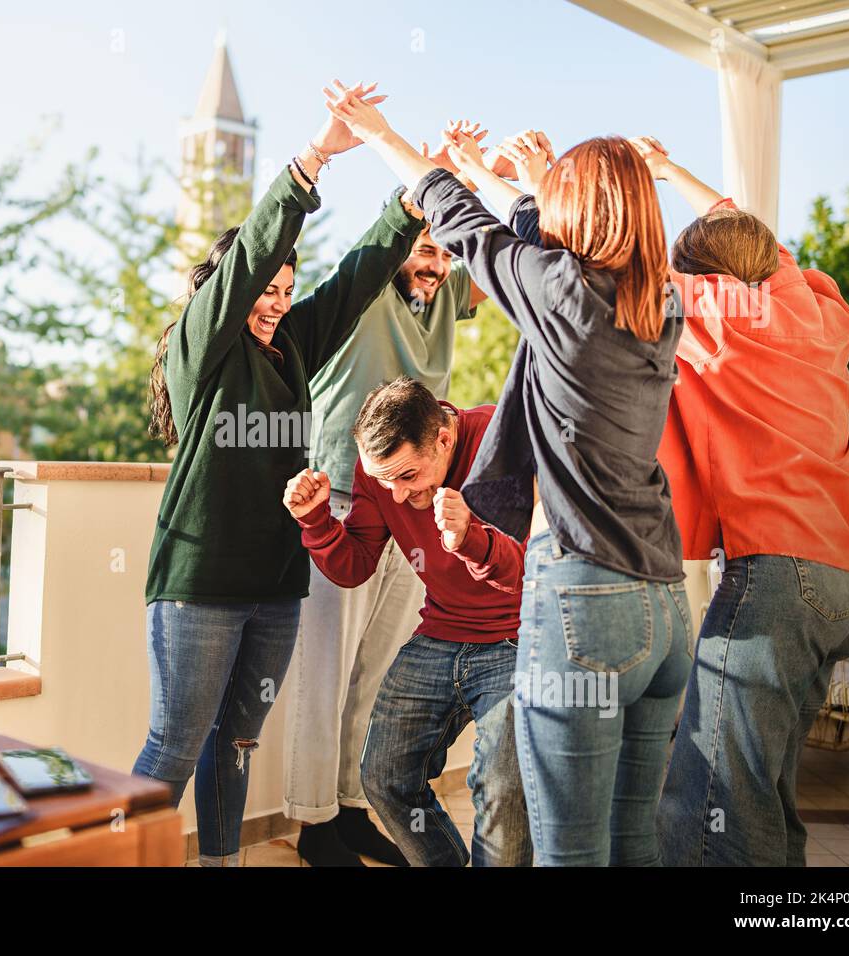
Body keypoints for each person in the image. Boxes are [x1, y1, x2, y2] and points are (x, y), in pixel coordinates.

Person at [325, 89, 692, 866]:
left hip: (588, 598)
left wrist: (382, 133)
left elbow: (456, 215)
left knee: (566, 846)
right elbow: (533, 241)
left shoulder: (561, 292)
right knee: (634, 842)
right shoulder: (659, 303)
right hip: (664, 604)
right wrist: (517, 184)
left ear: (575, 218)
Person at [134, 83, 428, 867]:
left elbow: (360, 277)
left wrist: (413, 197)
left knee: (234, 743)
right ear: (229, 292)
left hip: (276, 584)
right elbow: (255, 254)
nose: (276, 300)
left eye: (287, 290)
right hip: (199, 582)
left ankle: (219, 863)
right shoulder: (206, 349)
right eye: (265, 288)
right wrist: (316, 159)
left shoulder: (293, 347)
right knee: (173, 743)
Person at [632, 137, 849, 866]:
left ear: (702, 272)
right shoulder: (818, 312)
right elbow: (761, 244)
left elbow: (616, 269)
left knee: (707, 800)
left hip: (777, 579)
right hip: (844, 582)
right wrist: (674, 174)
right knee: (763, 795)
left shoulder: (711, 307)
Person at [282, 129, 508, 867]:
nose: (434, 263)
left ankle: (350, 805)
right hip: (345, 494)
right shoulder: (368, 289)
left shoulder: (443, 298)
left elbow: (494, 255)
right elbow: (395, 225)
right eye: (424, 247)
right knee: (325, 675)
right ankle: (313, 821)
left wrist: (484, 175)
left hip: (415, 508)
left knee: (374, 676)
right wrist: (423, 173)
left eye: (444, 252)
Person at [284, 377, 531, 867]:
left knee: (501, 790)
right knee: (382, 776)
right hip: (440, 633)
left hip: (516, 638)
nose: (397, 496)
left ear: (443, 438)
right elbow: (355, 565)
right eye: (384, 481)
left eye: (407, 476)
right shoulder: (379, 473)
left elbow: (534, 572)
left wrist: (473, 540)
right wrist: (316, 522)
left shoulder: (502, 441)